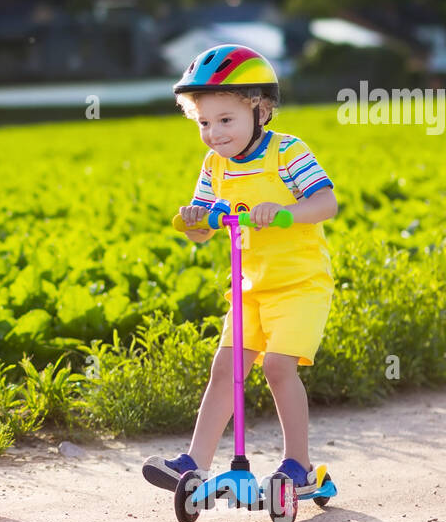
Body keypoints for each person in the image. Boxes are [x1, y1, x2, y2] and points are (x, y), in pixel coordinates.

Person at [142, 44, 337, 495]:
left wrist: (286, 211)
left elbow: (327, 202)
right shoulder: (215, 166)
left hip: (301, 284)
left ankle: (300, 467)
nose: (213, 133)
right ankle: (194, 462)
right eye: (204, 123)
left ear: (261, 110)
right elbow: (204, 226)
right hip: (250, 286)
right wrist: (194, 221)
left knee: (278, 367)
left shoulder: (288, 152)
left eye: (225, 120)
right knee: (226, 366)